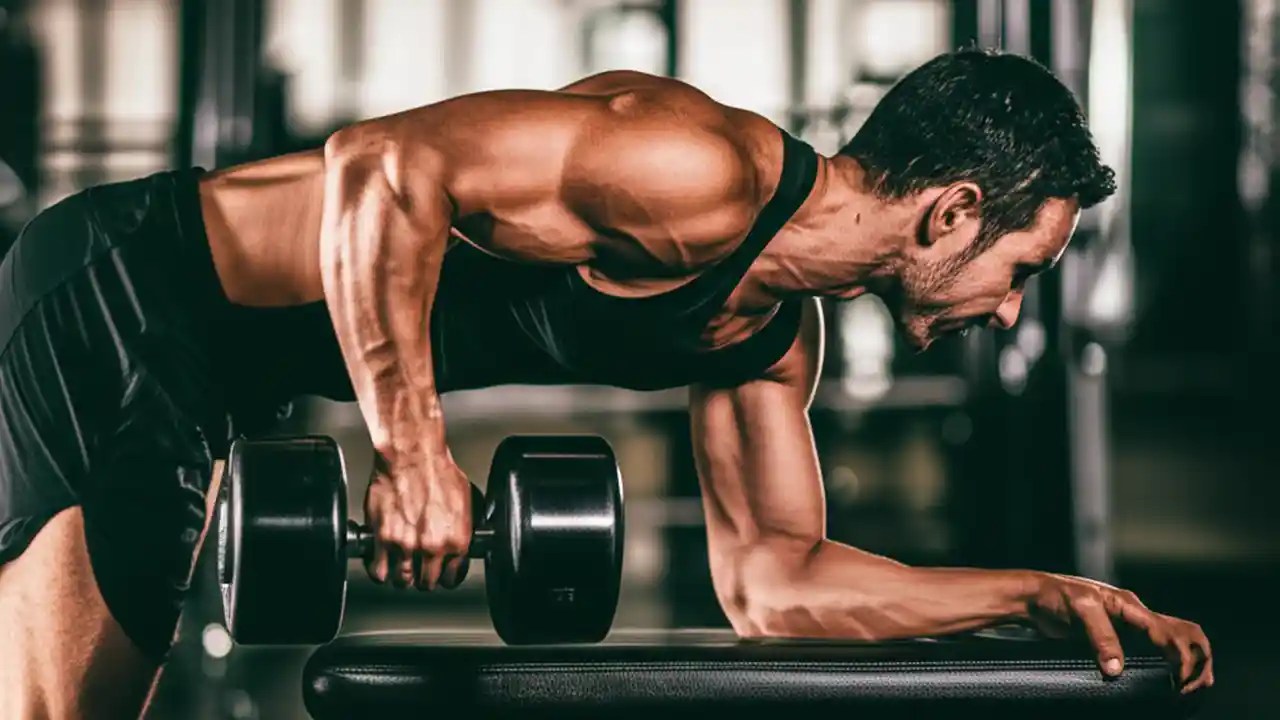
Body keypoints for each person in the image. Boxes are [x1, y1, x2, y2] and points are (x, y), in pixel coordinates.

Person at [0, 48, 1212, 719]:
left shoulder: (770, 336)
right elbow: (382, 167)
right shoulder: (696, 170)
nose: (1006, 310)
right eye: (1016, 270)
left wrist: (1035, 595)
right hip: (130, 289)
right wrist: (413, 452)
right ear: (951, 212)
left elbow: (778, 589)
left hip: (215, 365)